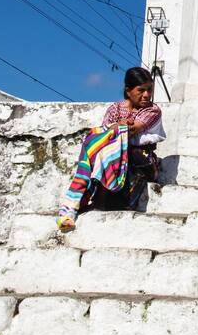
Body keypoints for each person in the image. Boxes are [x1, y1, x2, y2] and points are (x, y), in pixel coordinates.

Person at [57, 67, 165, 233]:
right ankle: (72, 208)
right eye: (141, 90)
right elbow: (108, 135)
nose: (146, 95)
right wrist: (115, 128)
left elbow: (131, 130)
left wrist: (118, 127)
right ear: (128, 91)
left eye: (149, 90)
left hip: (141, 160)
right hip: (112, 159)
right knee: (98, 144)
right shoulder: (115, 109)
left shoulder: (152, 110)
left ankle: (71, 205)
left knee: (96, 142)